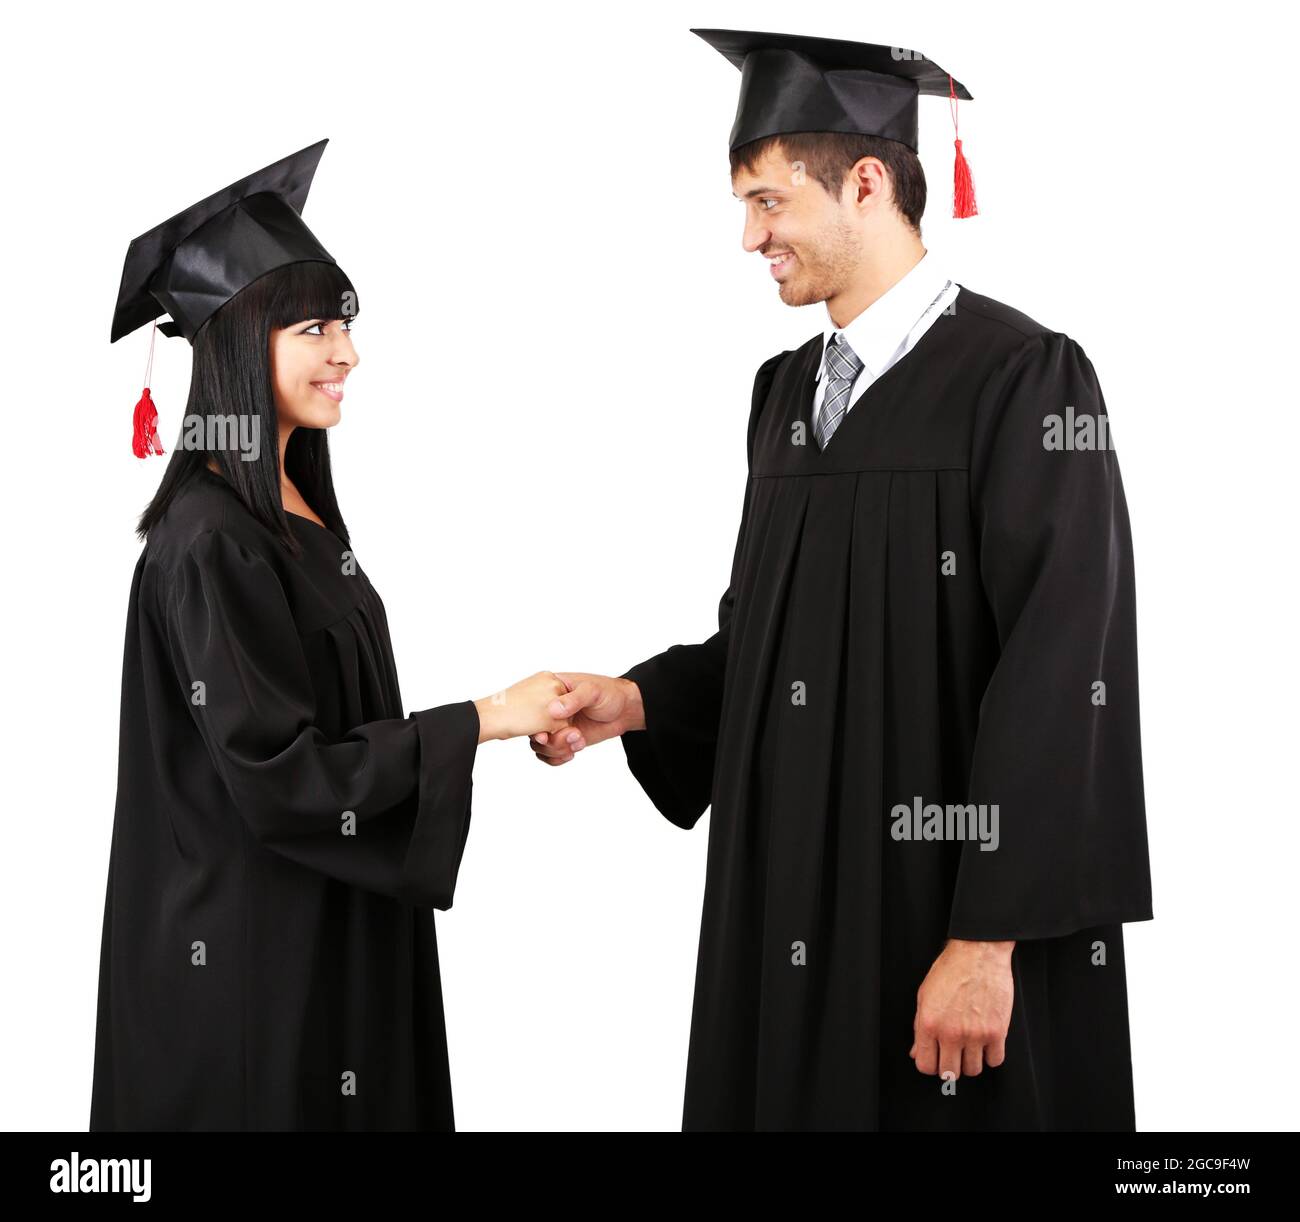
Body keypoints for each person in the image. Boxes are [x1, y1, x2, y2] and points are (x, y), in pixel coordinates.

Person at [530, 29, 1154, 1131]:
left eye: (768, 202)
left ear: (865, 183)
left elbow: (1066, 668)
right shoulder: (782, 396)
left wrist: (986, 937)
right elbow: (766, 640)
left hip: (938, 913)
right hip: (788, 895)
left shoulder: (1021, 377)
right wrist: (637, 701)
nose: (747, 236)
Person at [91, 140, 570, 1131]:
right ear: (233, 344)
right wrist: (482, 719)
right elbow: (277, 770)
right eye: (314, 328)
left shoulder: (289, 513)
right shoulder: (208, 540)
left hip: (324, 938)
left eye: (343, 326)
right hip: (252, 968)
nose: (346, 353)